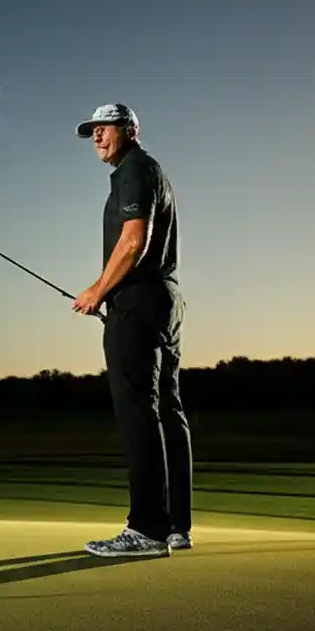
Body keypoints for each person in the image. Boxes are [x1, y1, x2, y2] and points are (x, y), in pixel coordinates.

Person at [70, 103, 195, 558]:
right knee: (168, 410)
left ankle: (146, 528)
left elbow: (132, 240)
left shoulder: (134, 170)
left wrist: (98, 290)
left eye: (106, 129)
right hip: (165, 300)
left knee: (138, 410)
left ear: (130, 130)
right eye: (94, 131)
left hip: (138, 301)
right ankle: (176, 525)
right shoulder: (148, 169)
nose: (98, 138)